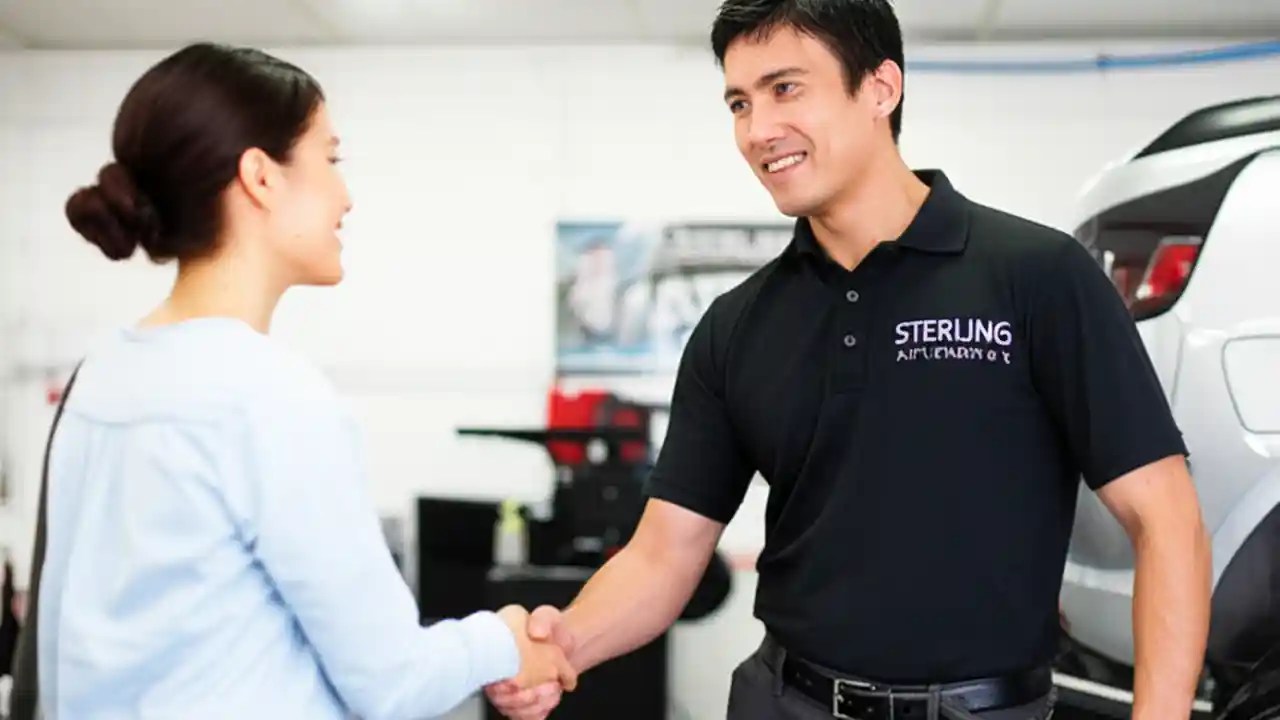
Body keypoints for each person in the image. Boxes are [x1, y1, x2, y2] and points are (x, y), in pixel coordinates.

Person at [486, 1, 1212, 719]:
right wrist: (566, 646)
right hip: (784, 702)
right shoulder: (737, 325)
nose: (758, 130)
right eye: (739, 102)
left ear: (880, 89)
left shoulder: (1039, 276)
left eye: (785, 88)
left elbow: (1166, 520)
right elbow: (663, 556)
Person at [15, 42, 576, 720]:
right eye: (330, 159)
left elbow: (53, 665)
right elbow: (392, 683)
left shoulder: (101, 374)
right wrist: (504, 638)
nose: (346, 195)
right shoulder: (266, 396)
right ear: (261, 176)